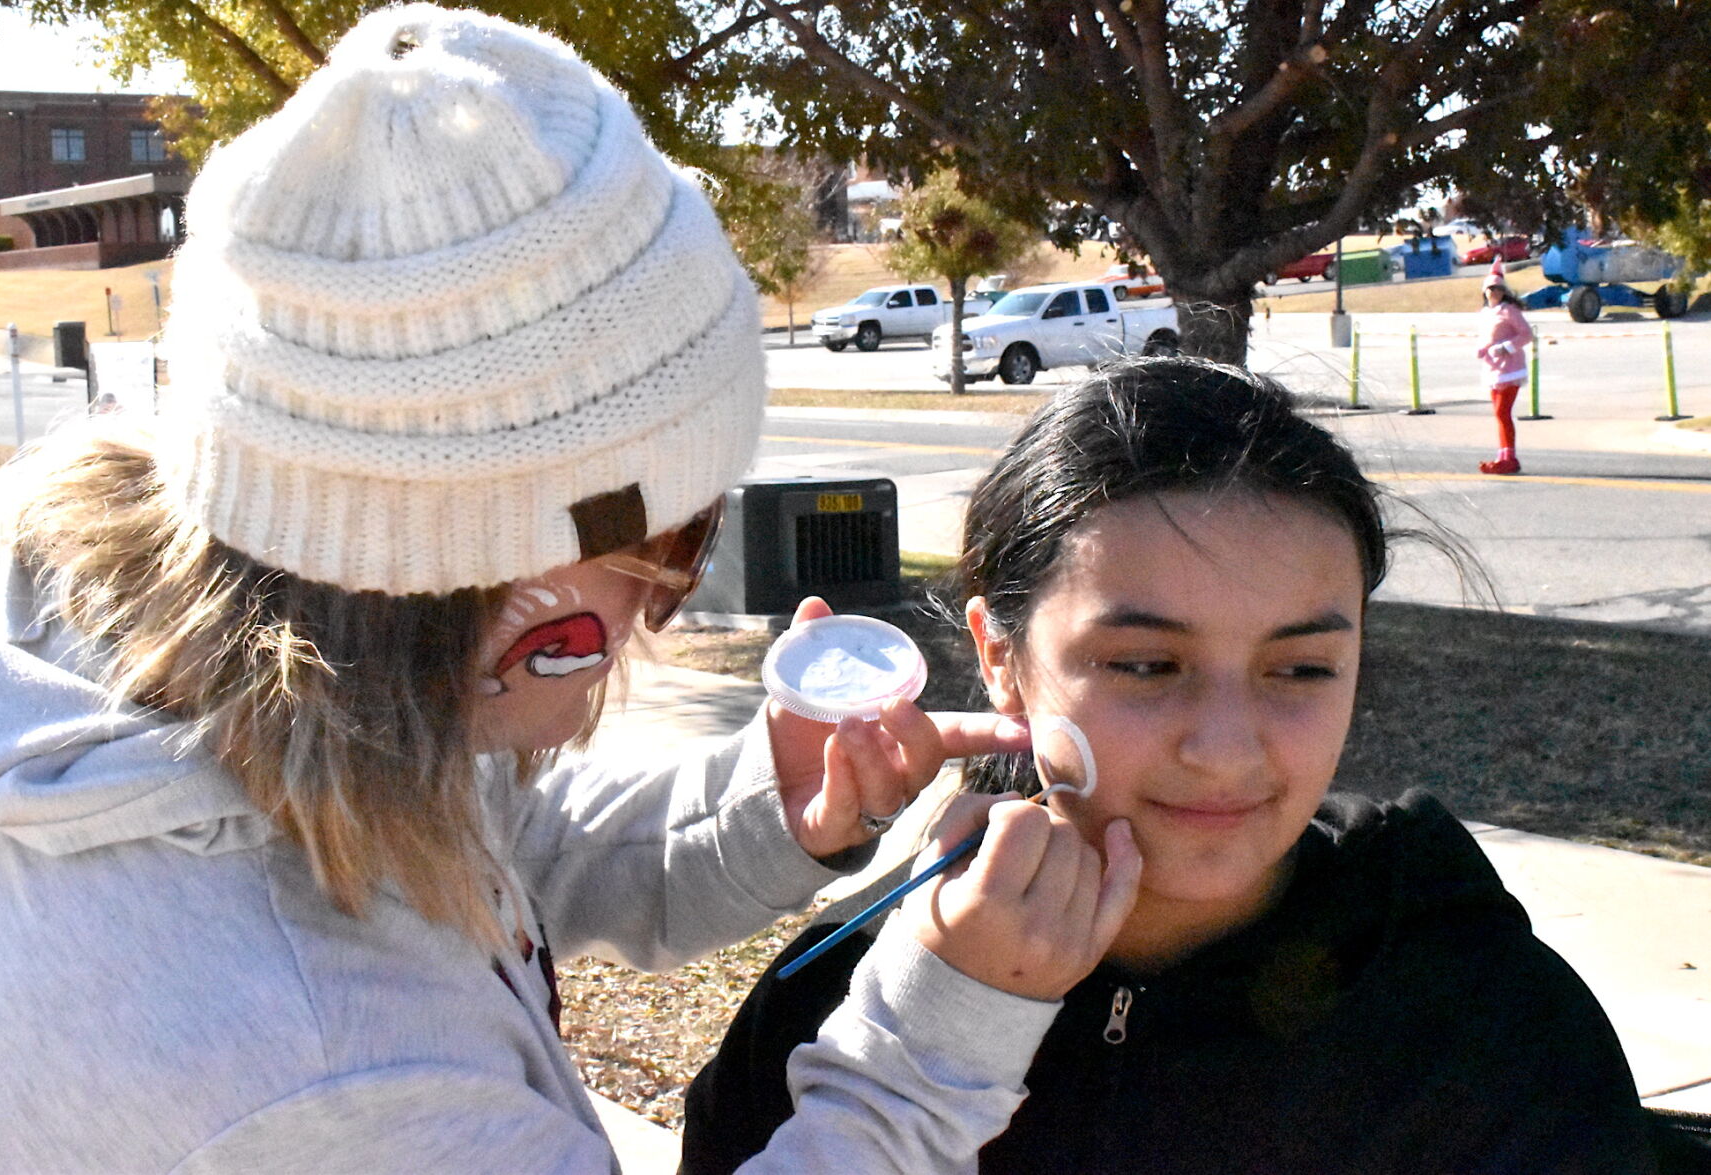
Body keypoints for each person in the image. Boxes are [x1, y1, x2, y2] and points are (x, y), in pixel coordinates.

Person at [0, 8, 1136, 1171]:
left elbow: (496, 844)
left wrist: (772, 806)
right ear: (478, 574)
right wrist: (942, 1026)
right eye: (672, 544)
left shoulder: (246, 657)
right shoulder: (316, 1064)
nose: (665, 607)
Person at [682, 359, 1660, 1174]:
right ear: (998, 658)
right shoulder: (836, 1020)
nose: (1225, 747)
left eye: (1300, 668)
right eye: (1145, 665)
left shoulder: (1484, 1019)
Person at [1478, 258, 1534, 475]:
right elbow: (1487, 337)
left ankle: (1510, 457)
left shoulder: (1509, 310)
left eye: (1498, 289)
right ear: (1484, 291)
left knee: (1503, 412)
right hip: (1493, 370)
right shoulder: (1486, 313)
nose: (1494, 292)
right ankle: (1503, 455)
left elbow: (1526, 334)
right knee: (1499, 414)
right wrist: (1483, 349)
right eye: (1491, 288)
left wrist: (1506, 347)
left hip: (1510, 369)